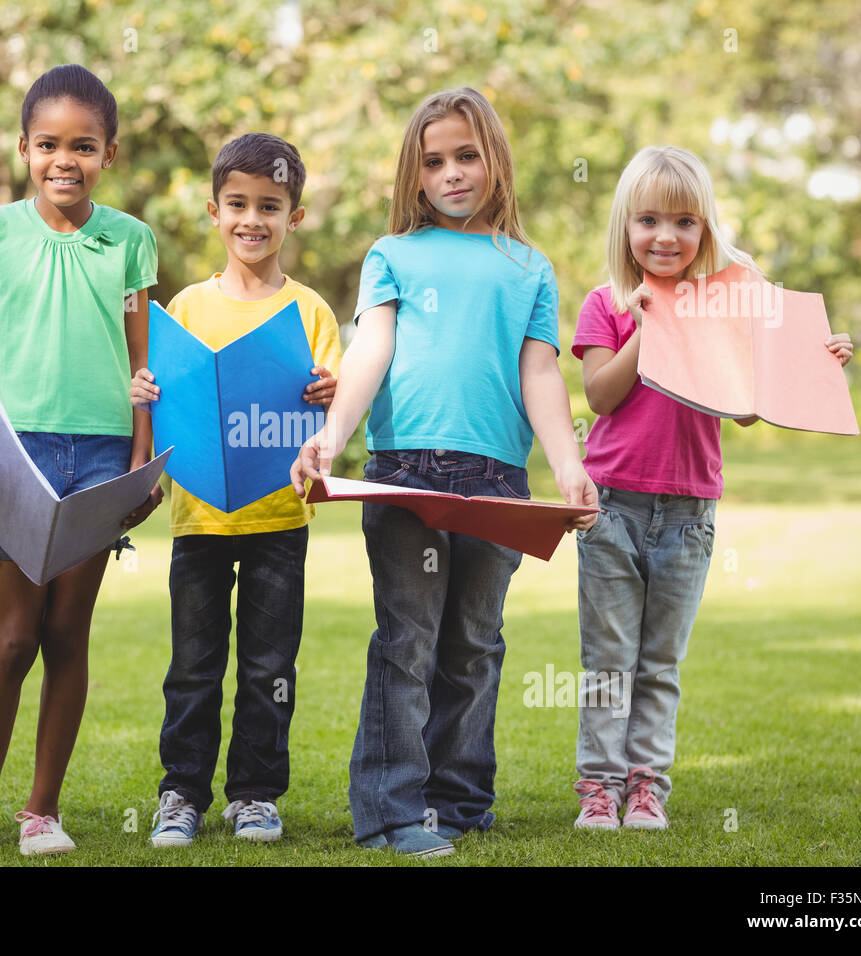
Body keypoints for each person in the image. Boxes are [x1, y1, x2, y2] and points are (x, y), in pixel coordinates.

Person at [291, 88, 597, 857]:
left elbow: (540, 373)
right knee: (407, 641)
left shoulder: (529, 267)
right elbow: (371, 351)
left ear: (495, 157)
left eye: (467, 155)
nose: (453, 173)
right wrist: (333, 436)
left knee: (474, 642)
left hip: (497, 480)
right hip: (405, 475)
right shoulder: (394, 254)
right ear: (415, 174)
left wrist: (568, 465)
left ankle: (459, 801)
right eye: (435, 162)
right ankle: (393, 811)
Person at [570, 145, 853, 830]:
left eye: (684, 222)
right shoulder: (607, 303)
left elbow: (749, 405)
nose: (665, 237)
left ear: (704, 230)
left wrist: (811, 360)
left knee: (660, 661)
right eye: (648, 221)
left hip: (689, 512)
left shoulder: (724, 306)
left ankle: (646, 788)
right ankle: (599, 789)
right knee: (609, 659)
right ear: (625, 226)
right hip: (612, 508)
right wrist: (648, 325)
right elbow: (602, 396)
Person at [0, 64, 160, 855]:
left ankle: (42, 811)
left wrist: (143, 461)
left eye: (83, 146)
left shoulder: (132, 240)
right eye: (47, 144)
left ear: (109, 151)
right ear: (24, 147)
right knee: (14, 635)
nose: (63, 160)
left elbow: (144, 365)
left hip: (105, 457)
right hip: (17, 454)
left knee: (70, 631)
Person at [130, 133, 341, 846]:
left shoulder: (310, 313)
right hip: (198, 520)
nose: (253, 220)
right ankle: (181, 791)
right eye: (239, 204)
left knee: (268, 666)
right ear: (214, 212)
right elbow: (156, 401)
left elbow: (338, 404)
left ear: (295, 216)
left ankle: (254, 792)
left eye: (271, 207)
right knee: (192, 666)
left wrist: (332, 395)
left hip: (279, 516)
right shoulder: (183, 308)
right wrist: (143, 392)